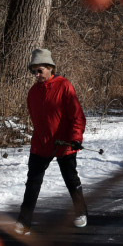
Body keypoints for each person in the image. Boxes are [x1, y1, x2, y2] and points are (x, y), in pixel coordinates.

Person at [17, 48, 89, 228]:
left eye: (40, 70)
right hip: (41, 143)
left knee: (70, 178)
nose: (36, 74)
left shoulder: (64, 86)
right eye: (34, 71)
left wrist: (75, 137)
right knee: (33, 182)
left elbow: (77, 115)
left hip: (64, 142)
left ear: (50, 68)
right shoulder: (33, 92)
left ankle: (81, 212)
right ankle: (24, 221)